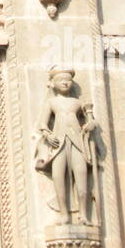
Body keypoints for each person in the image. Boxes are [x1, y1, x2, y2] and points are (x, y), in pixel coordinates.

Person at [34, 69, 97, 225]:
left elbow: (92, 121)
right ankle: (64, 214)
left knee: (81, 176)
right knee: (57, 175)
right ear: (54, 84)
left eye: (68, 80)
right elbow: (42, 123)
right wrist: (48, 135)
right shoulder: (51, 102)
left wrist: (90, 125)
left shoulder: (78, 103)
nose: (65, 82)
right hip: (59, 142)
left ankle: (83, 214)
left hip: (77, 142)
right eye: (61, 80)